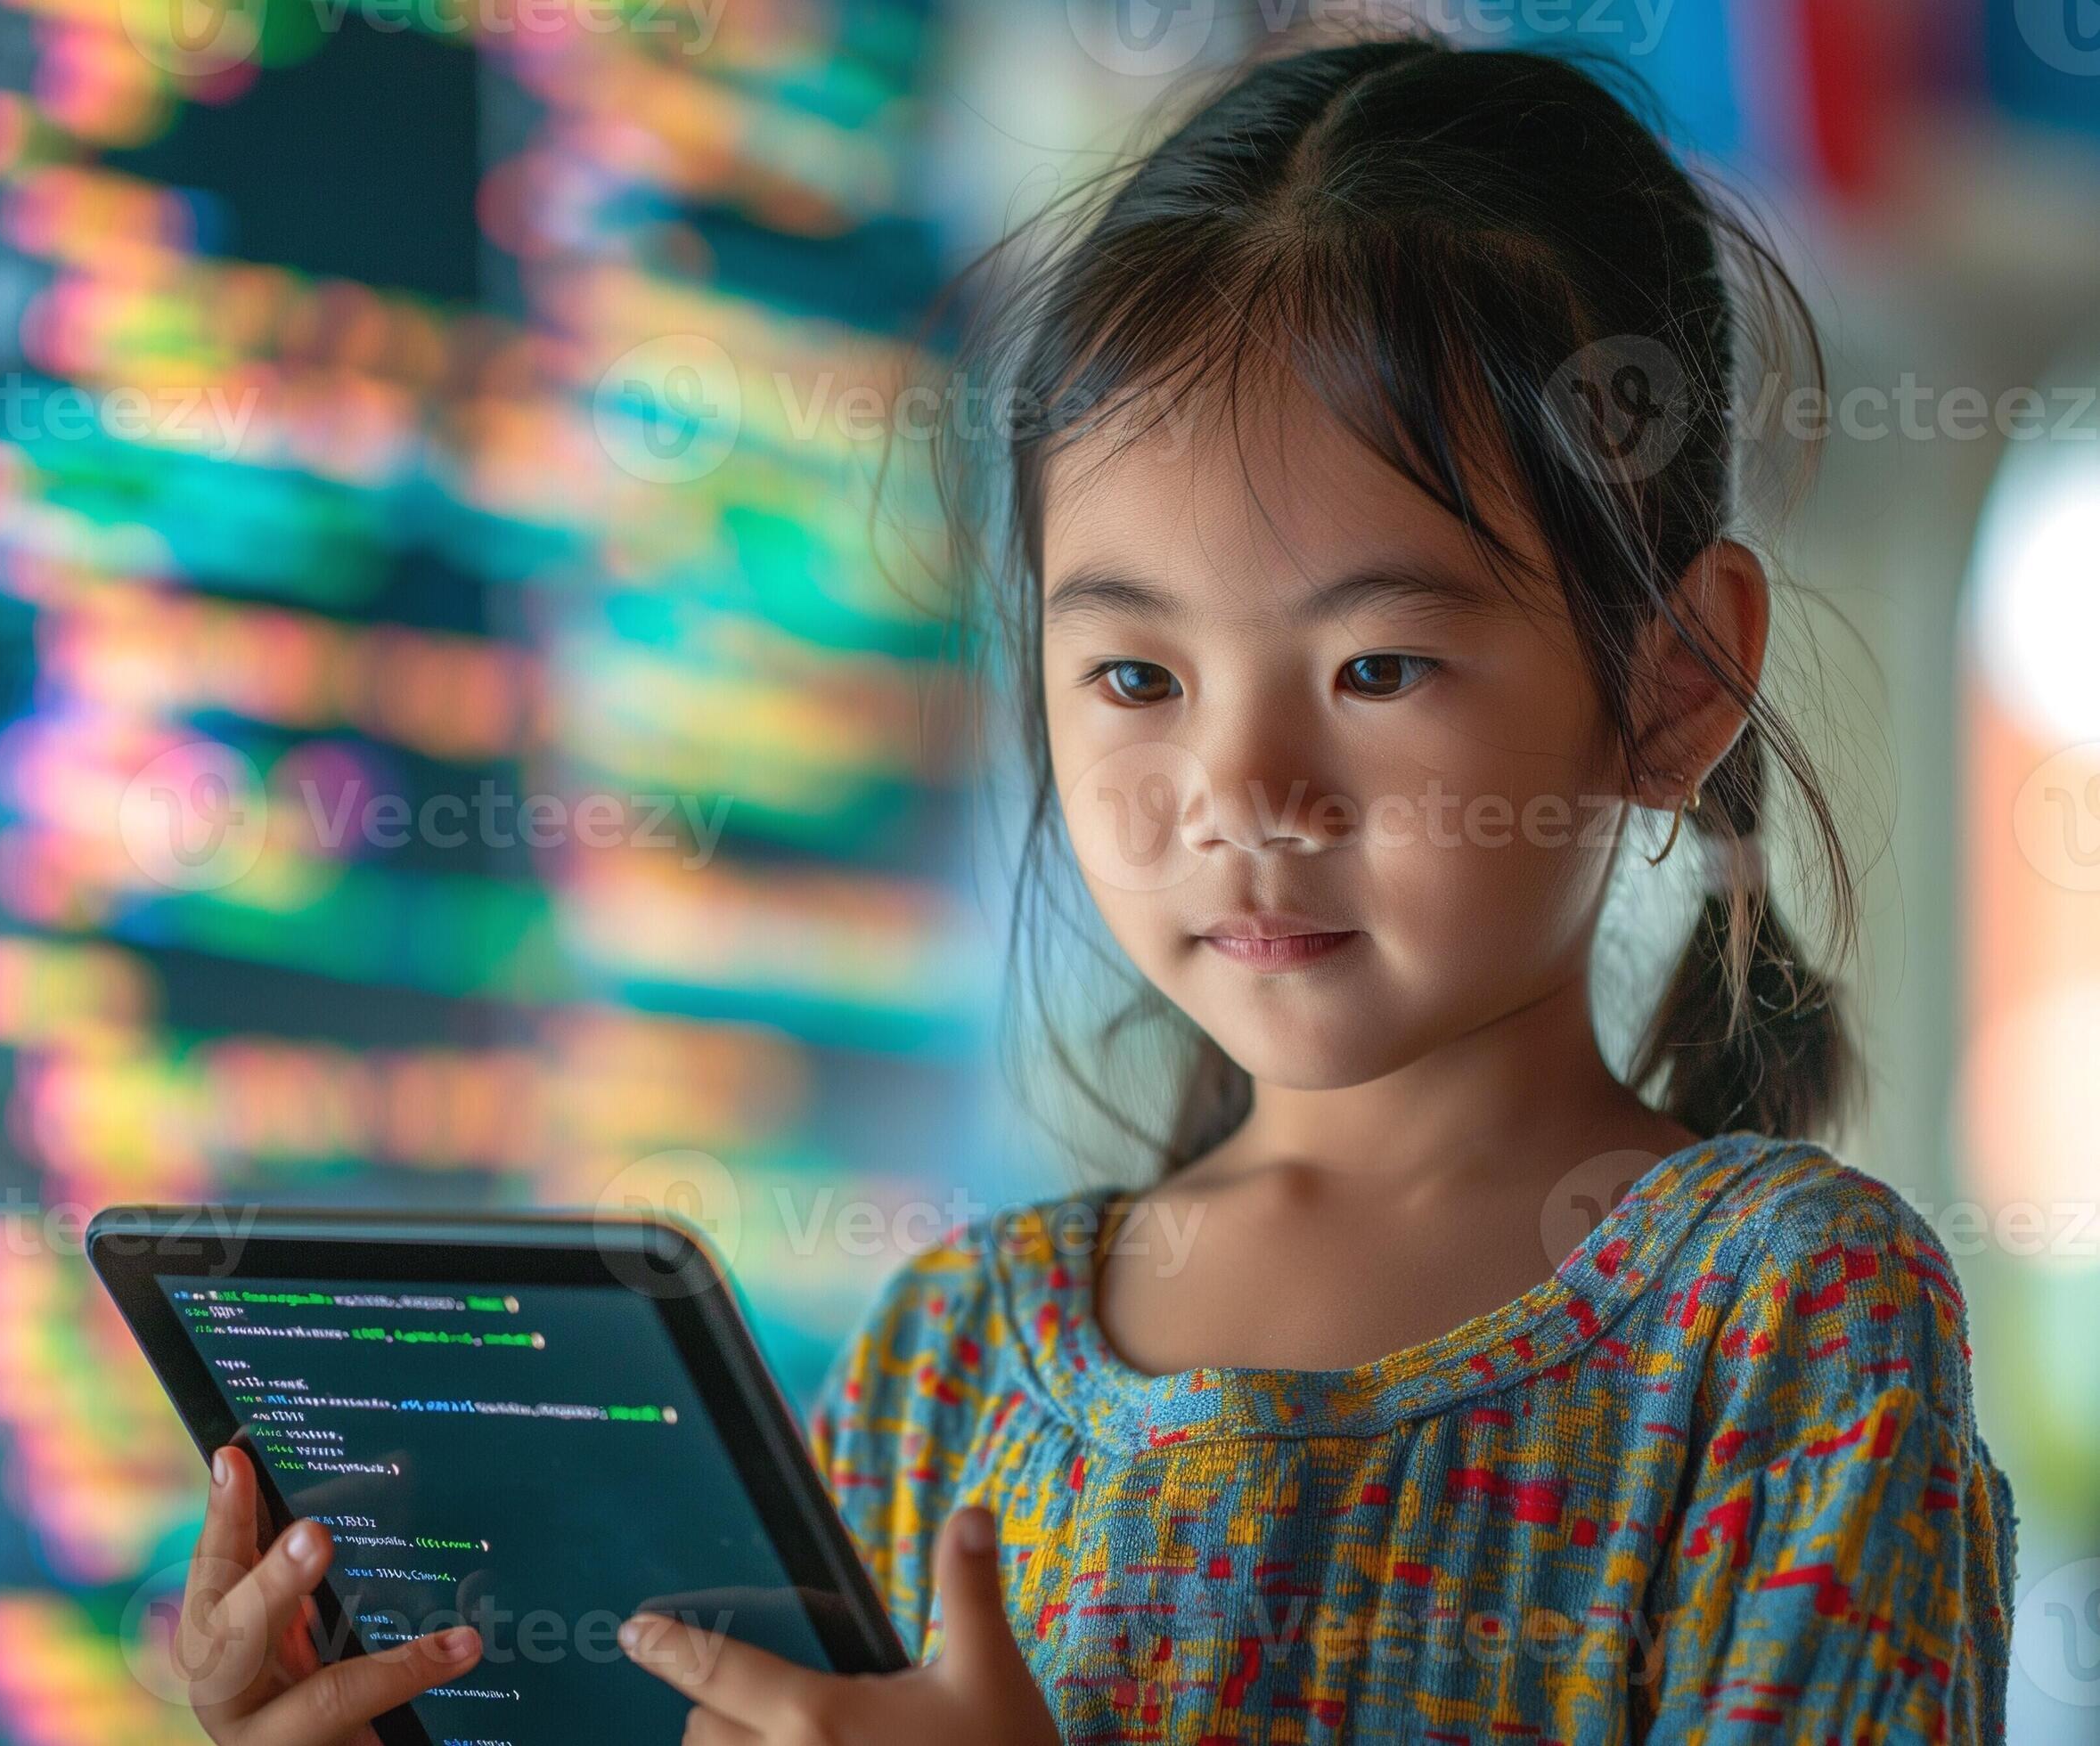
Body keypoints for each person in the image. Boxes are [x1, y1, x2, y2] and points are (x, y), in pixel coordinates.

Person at [171, 33, 2016, 1744]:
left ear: (1673, 680)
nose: (1243, 791)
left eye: (1378, 667)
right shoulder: (951, 1361)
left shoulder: (1787, 1326)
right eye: (1137, 677)